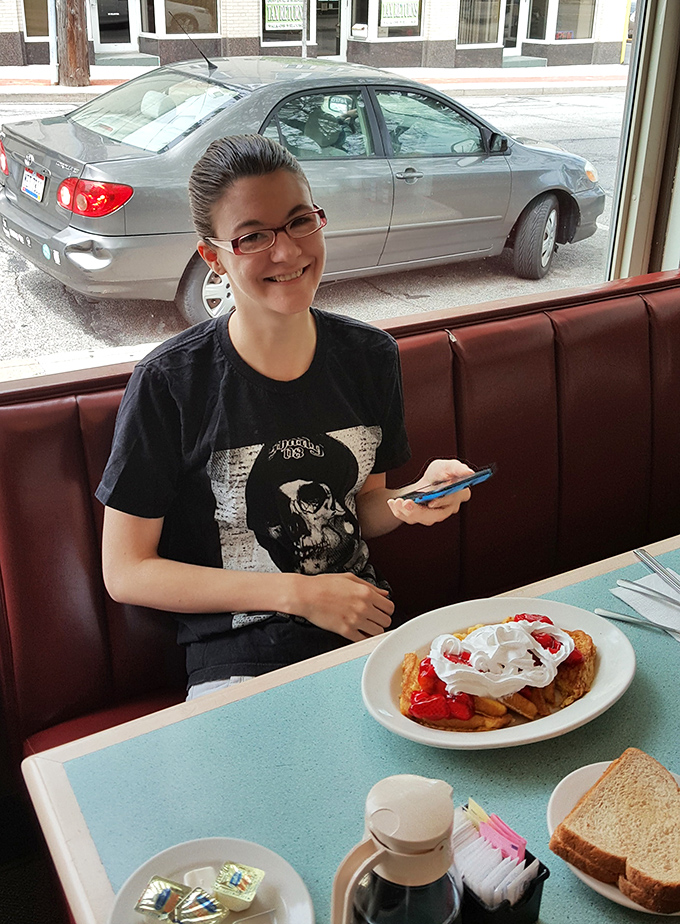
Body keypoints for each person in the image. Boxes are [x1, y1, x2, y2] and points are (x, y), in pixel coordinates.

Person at [96, 134, 474, 699]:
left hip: (364, 628)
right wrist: (297, 593)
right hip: (238, 654)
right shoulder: (171, 383)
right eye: (252, 236)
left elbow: (363, 508)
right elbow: (125, 571)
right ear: (213, 256)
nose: (288, 251)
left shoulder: (369, 357)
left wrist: (412, 500)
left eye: (301, 221)